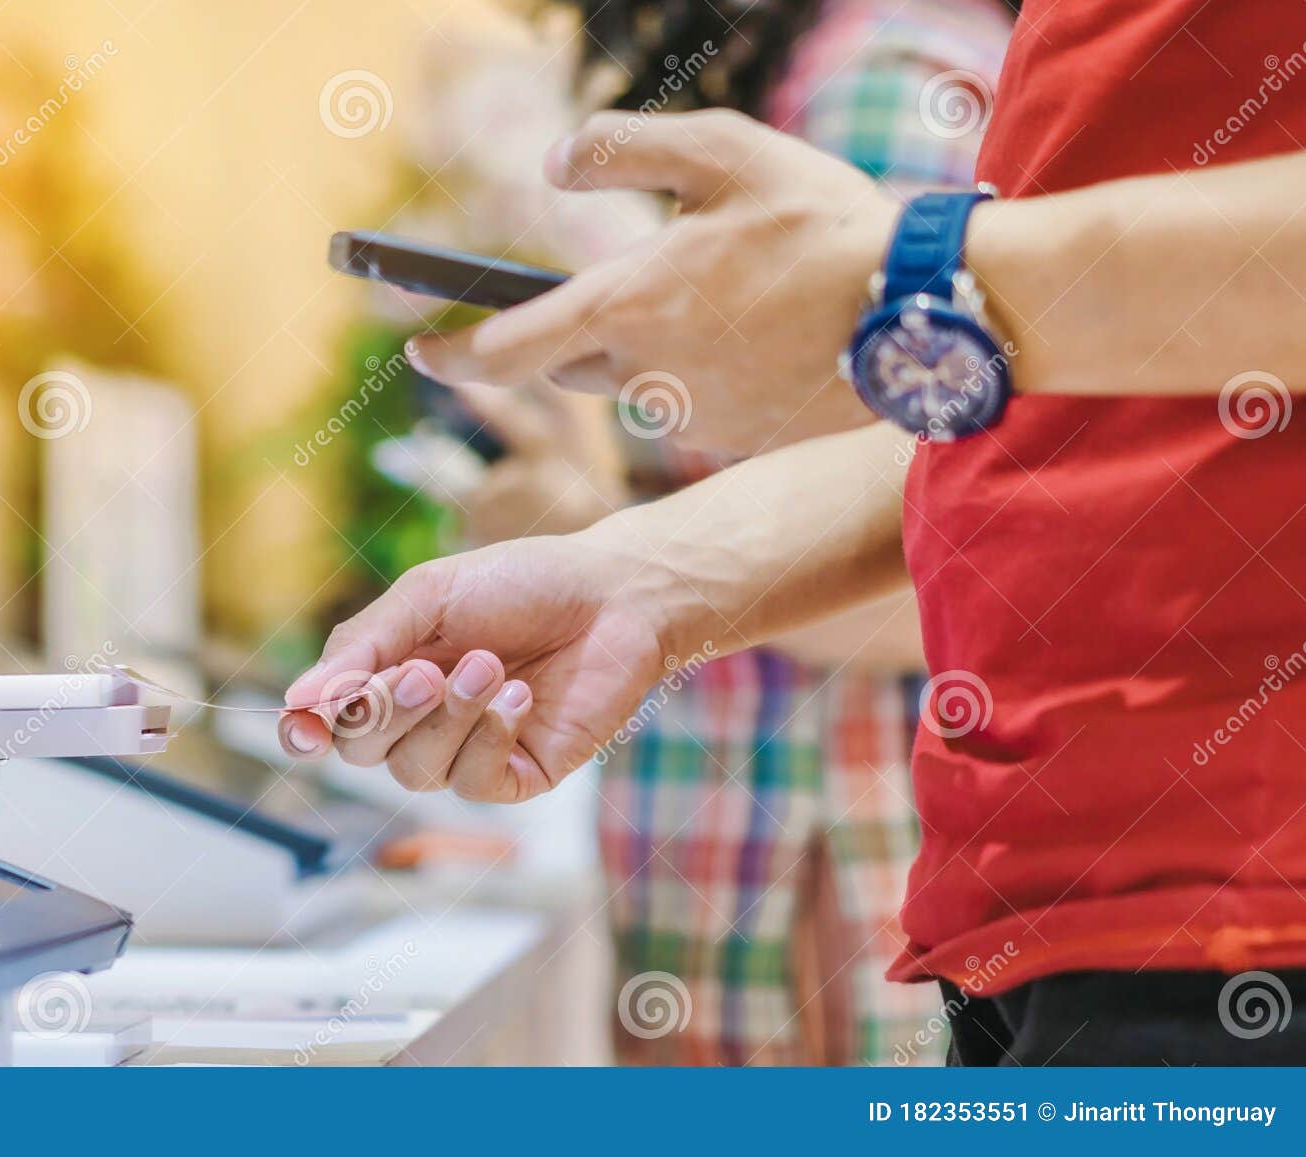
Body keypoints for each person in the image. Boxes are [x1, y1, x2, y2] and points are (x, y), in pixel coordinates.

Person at [282, 0, 1306, 1064]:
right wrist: (642, 573)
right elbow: (1038, 441)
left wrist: (917, 275)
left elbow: (961, 388)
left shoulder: (889, 70)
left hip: (1231, 903)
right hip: (1049, 913)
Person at [443, 0, 1011, 1066]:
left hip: (810, 870)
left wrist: (583, 530)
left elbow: (943, 565)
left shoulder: (882, 79)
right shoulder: (863, 60)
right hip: (795, 858)